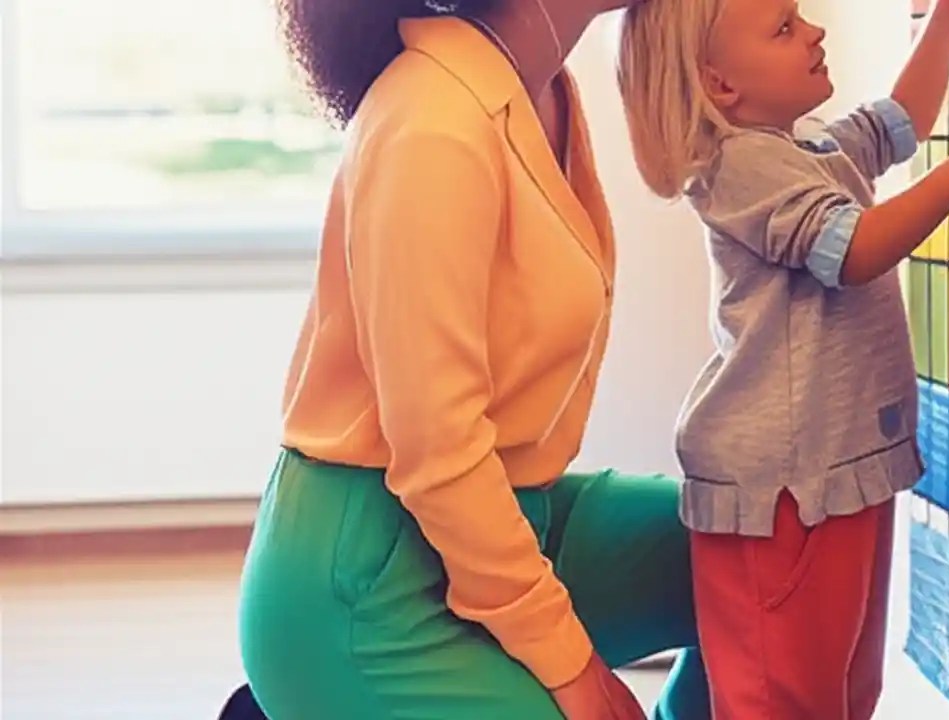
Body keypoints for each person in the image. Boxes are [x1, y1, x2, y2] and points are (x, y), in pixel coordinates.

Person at [235, 1, 711, 718]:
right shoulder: (432, 119)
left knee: (752, 556)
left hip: (508, 516)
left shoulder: (539, 90)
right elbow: (437, 453)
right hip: (362, 590)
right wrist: (572, 667)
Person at [617, 0, 949, 717]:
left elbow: (902, 117)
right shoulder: (741, 165)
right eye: (784, 27)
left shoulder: (805, 149)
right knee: (783, 699)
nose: (812, 31)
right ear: (721, 84)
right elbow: (851, 250)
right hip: (785, 490)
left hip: (837, 470)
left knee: (843, 691)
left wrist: (946, 15)